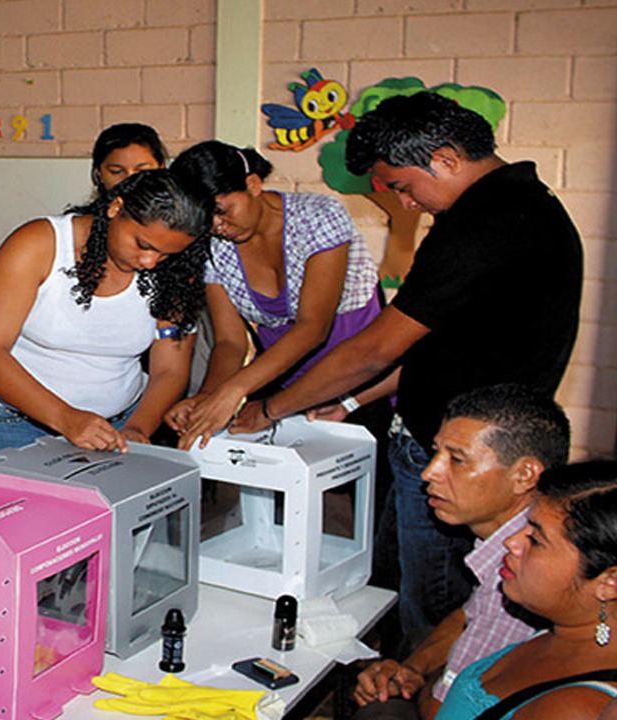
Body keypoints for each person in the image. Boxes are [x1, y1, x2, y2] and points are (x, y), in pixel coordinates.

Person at [231, 92, 584, 648]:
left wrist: (271, 407)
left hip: (462, 456)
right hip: (428, 433)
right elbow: (444, 344)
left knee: (434, 605)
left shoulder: (488, 223)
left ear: (444, 159)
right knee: (391, 584)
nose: (406, 203)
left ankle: (421, 686)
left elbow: (377, 347)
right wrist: (349, 402)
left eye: (400, 186)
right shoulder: (507, 207)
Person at [0, 169, 210, 476]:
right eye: (143, 244)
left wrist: (137, 428)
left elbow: (169, 369)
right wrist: (65, 418)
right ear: (115, 208)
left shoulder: (174, 272)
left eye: (166, 254)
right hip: (15, 425)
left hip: (119, 425)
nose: (150, 262)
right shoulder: (40, 245)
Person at [353, 384, 571, 720]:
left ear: (525, 474)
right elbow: (467, 616)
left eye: (456, 459)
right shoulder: (514, 534)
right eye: (435, 452)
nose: (429, 473)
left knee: (379, 712)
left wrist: (416, 683)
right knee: (417, 641)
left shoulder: (521, 567)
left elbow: (447, 710)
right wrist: (411, 668)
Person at [163, 140, 385, 449]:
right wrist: (208, 396)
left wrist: (234, 390)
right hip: (281, 381)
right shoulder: (215, 247)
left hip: (356, 381)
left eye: (222, 211)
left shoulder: (318, 217)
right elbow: (229, 341)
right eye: (205, 219)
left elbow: (313, 328)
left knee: (363, 484)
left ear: (252, 184)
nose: (217, 226)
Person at [432, 460, 617, 719]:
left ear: (610, 583)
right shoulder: (557, 631)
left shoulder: (574, 709)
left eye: (535, 539)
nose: (511, 542)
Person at [86, 122, 168, 199]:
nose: (129, 179)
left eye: (143, 171)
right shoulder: (83, 214)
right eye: (116, 171)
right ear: (99, 174)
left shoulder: (178, 211)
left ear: (161, 168)